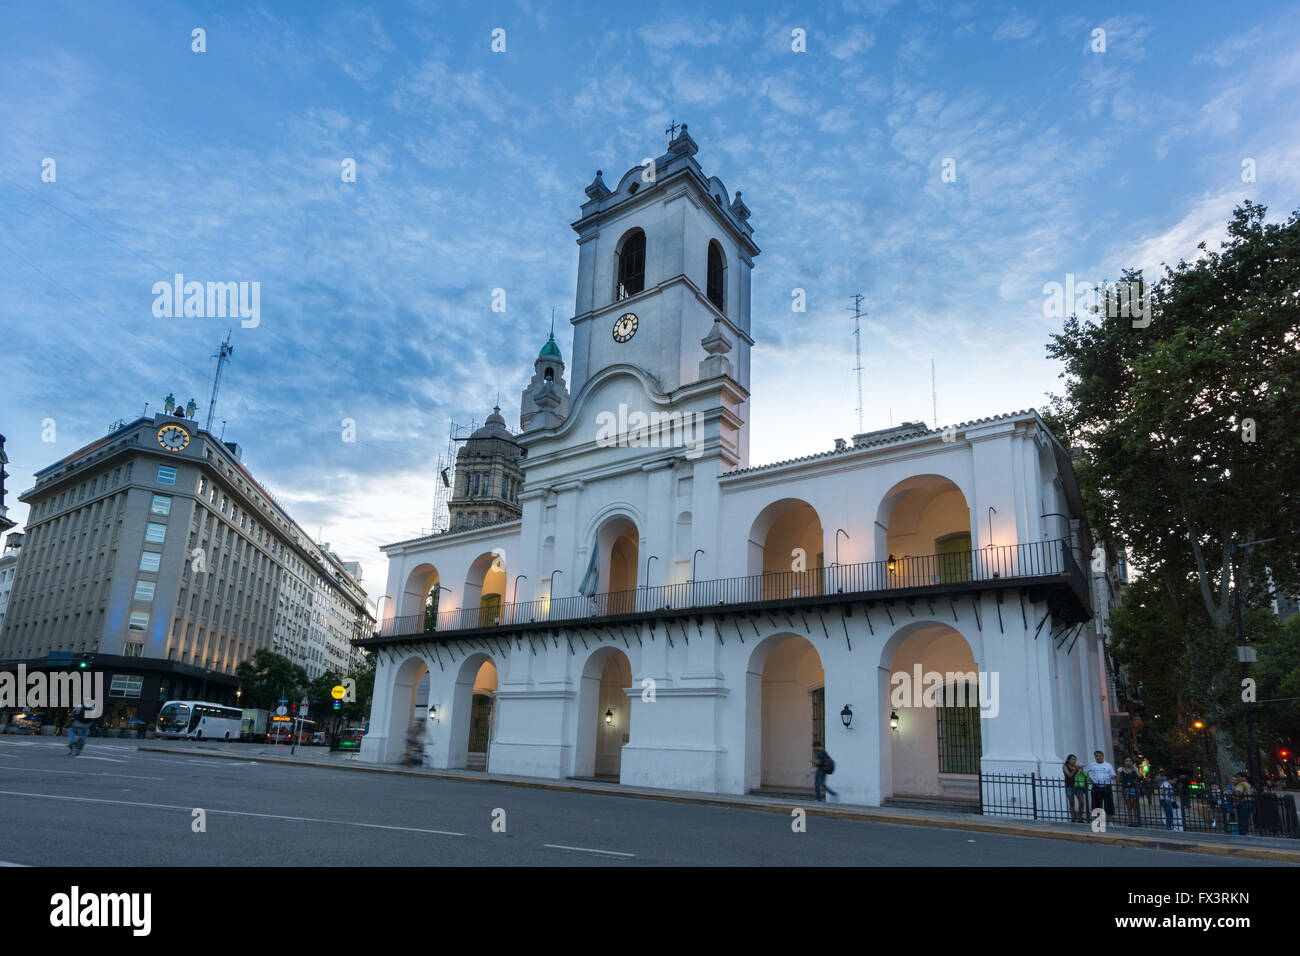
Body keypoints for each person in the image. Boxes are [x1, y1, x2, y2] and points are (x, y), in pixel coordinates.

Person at [1084, 750, 1116, 819]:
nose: (1098, 757)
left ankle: (1110, 820)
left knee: (1109, 803)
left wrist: (1112, 777)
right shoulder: (1092, 764)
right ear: (1095, 757)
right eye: (1097, 756)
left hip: (1107, 786)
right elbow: (1085, 772)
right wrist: (1089, 778)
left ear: (1103, 756)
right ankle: (1097, 819)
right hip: (1096, 786)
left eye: (1100, 756)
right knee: (1096, 803)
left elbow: (1113, 774)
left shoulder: (1108, 765)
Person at [1063, 754, 1087, 823]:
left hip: (1078, 786)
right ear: (1068, 760)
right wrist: (1075, 769)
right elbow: (1069, 775)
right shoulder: (1065, 766)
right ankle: (1073, 818)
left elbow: (1081, 775)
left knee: (1082, 802)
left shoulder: (1076, 767)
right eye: (1072, 759)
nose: (1074, 761)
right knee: (1072, 803)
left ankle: (1080, 818)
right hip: (1069, 786)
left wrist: (1081, 769)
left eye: (1075, 759)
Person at [1119, 756, 1142, 826]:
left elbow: (1140, 777)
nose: (1128, 762)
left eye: (1129, 761)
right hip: (1126, 789)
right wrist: (1121, 787)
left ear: (1132, 762)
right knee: (1129, 806)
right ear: (1124, 762)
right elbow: (1118, 780)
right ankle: (1130, 821)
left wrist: (1136, 769)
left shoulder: (1135, 769)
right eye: (1126, 760)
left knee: (1135, 807)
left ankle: (1136, 821)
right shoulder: (1120, 770)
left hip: (1134, 789)